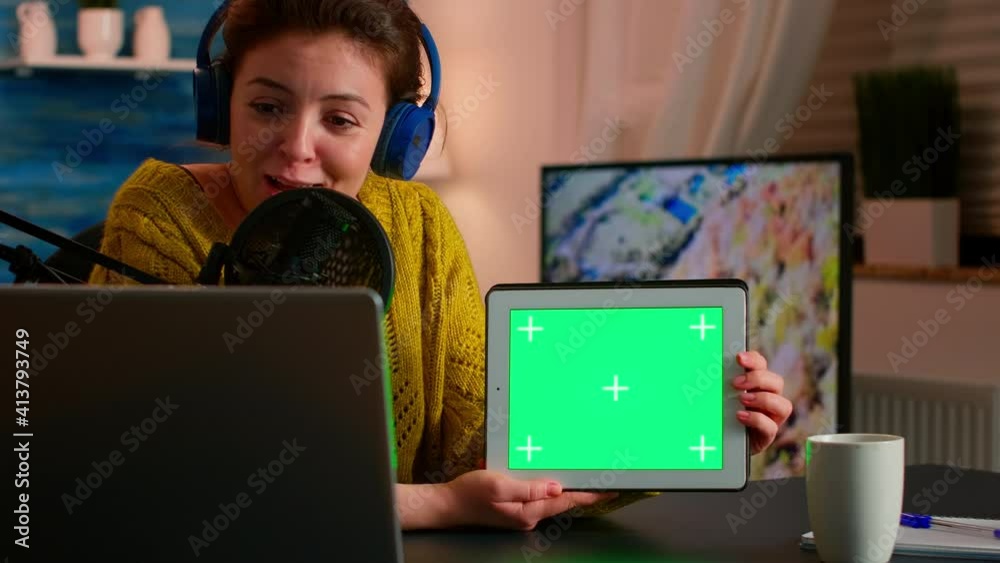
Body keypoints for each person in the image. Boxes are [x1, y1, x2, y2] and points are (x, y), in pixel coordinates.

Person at [88, 0, 794, 531]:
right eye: (267, 106)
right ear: (222, 105)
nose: (297, 147)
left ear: (394, 136)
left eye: (340, 120)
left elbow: (483, 450)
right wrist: (439, 505)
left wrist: (686, 424)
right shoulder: (159, 216)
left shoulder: (420, 226)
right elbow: (158, 484)